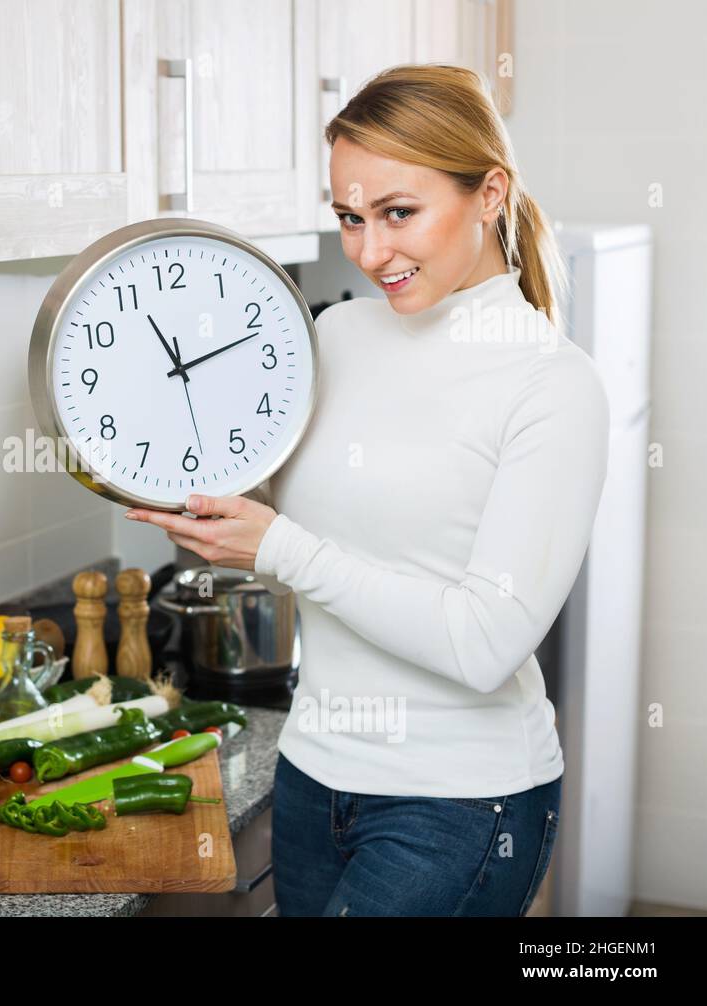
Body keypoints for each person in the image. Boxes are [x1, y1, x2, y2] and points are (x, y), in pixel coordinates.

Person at [123, 64, 609, 916]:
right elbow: (265, 499)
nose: (369, 251)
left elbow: (484, 640)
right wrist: (181, 483)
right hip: (315, 777)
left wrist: (277, 544)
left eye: (398, 213)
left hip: (458, 802)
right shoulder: (333, 335)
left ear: (489, 193)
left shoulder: (550, 385)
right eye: (350, 218)